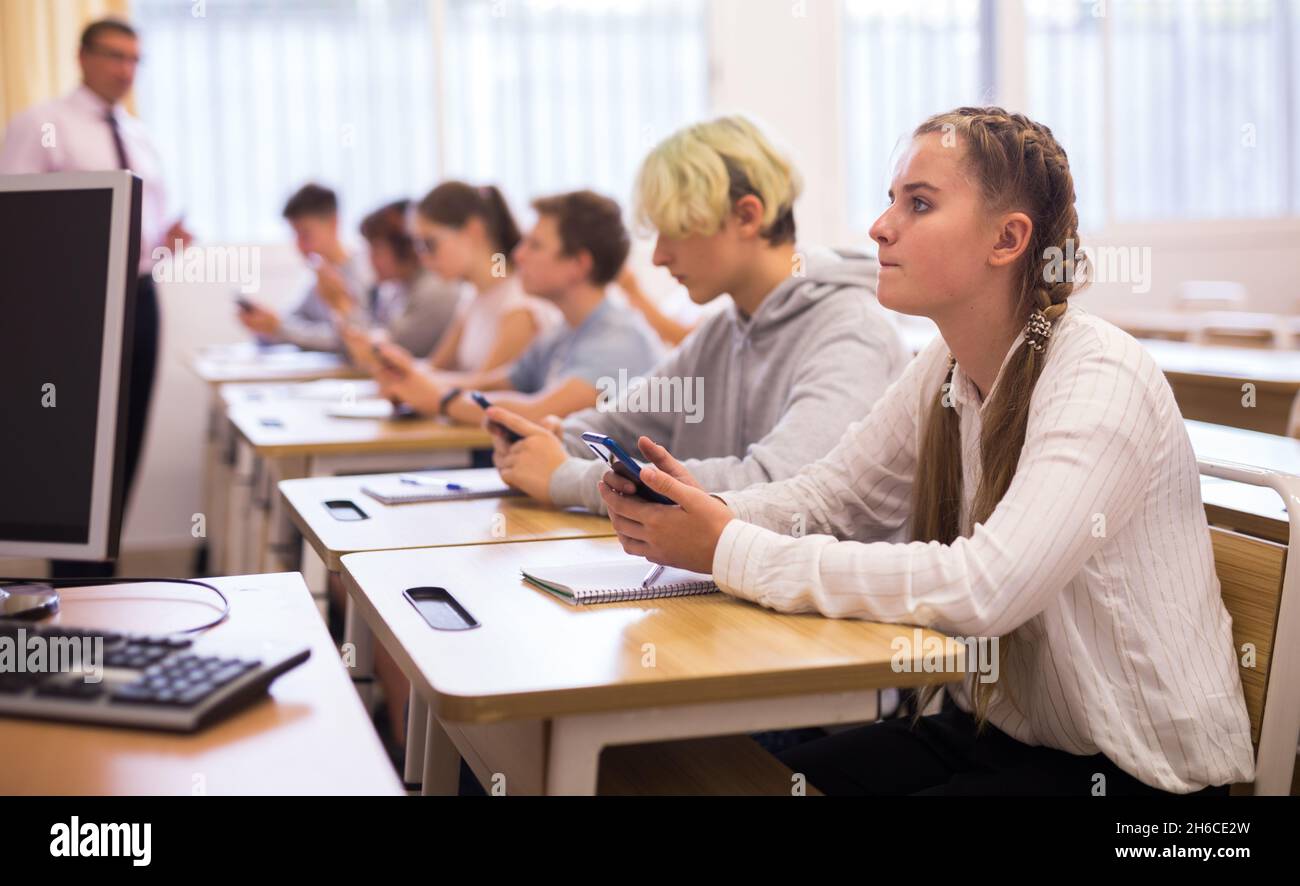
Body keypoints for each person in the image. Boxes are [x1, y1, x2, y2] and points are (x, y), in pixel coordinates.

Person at [595, 107, 1255, 796]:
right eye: (891, 202)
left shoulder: (1097, 376)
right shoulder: (944, 365)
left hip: (1136, 777)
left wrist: (728, 546)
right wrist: (707, 510)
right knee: (727, 785)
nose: (881, 227)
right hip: (993, 736)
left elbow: (985, 587)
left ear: (1008, 239)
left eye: (919, 204)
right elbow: (832, 497)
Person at [486, 115, 908, 517]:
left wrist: (564, 476)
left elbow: (776, 486)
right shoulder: (726, 329)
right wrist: (546, 441)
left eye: (676, 230)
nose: (659, 255)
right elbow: (616, 424)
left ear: (747, 216)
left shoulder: (853, 331)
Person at [0, 17, 190, 577]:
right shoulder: (42, 124)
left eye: (134, 59)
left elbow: (140, 231)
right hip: (73, 306)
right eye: (113, 55)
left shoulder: (141, 136)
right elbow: (20, 217)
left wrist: (164, 246)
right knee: (73, 451)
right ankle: (73, 581)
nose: (125, 69)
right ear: (82, 57)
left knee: (126, 439)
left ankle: (102, 573)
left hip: (140, 295)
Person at [377, 189, 661, 425]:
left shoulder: (617, 340)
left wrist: (439, 399)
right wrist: (415, 381)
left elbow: (538, 413)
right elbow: (495, 383)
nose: (518, 255)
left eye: (535, 246)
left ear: (579, 264)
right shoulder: (565, 331)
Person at [236, 183, 369, 352]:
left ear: (333, 224)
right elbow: (293, 321)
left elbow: (355, 338)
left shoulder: (363, 272)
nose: (299, 245)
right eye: (295, 235)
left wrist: (280, 328)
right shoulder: (318, 278)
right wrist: (266, 325)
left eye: (305, 234)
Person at [332, 199, 464, 369]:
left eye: (377, 249)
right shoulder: (393, 290)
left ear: (406, 247)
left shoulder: (435, 290)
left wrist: (343, 305)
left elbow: (376, 353)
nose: (370, 259)